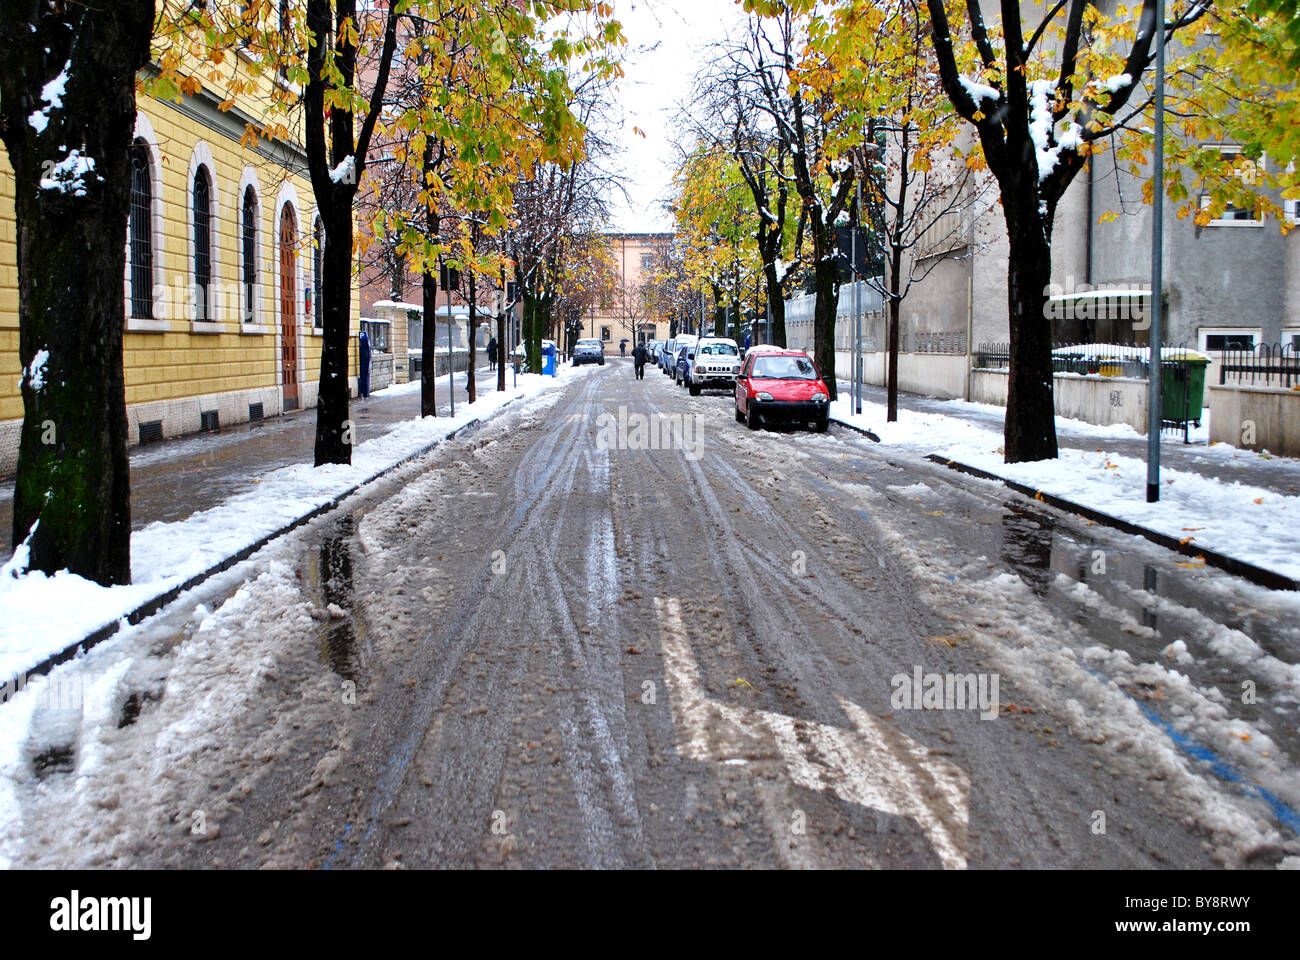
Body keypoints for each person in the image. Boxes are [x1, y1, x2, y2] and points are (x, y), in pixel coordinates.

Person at [358, 329, 372, 399]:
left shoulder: (364, 344)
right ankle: (365, 392)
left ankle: (365, 392)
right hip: (364, 365)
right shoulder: (365, 344)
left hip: (364, 364)